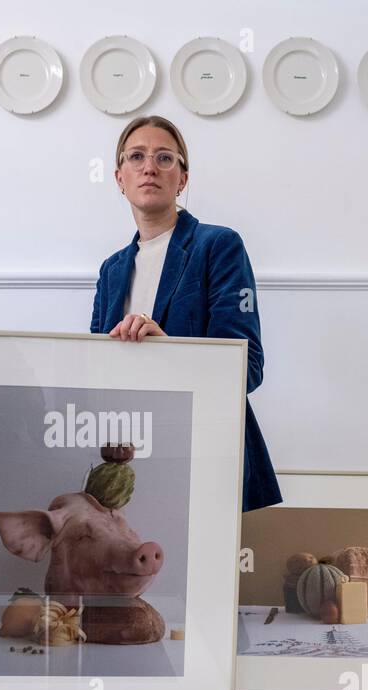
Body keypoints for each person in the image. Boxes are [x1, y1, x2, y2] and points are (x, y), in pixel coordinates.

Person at [90, 115, 282, 512]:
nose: (149, 167)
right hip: (130, 462)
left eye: (164, 158)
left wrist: (169, 348)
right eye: (137, 157)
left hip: (205, 453)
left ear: (182, 178)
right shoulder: (111, 270)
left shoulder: (219, 246)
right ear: (119, 178)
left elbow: (248, 367)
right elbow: (96, 373)